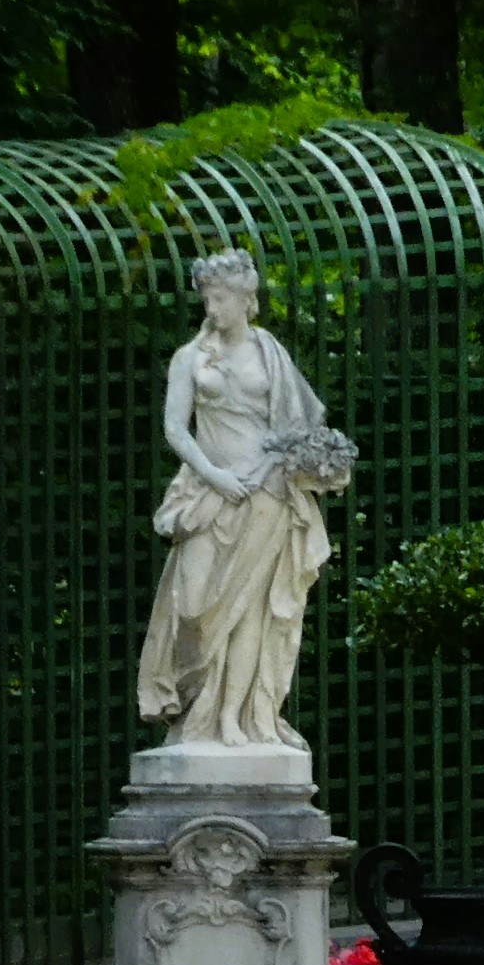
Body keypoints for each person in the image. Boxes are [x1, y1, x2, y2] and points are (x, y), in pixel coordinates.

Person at [135, 251, 349, 754]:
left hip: (268, 494)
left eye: (221, 298)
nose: (212, 308)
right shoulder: (189, 358)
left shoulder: (269, 351)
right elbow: (174, 428)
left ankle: (234, 717)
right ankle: (194, 712)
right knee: (194, 606)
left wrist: (285, 467)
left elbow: (296, 428)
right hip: (209, 494)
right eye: (207, 299)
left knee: (253, 612)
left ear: (246, 300)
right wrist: (215, 475)